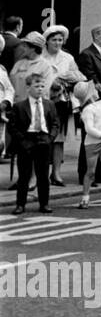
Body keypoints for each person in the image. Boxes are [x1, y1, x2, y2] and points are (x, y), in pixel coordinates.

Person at [40, 25, 85, 186]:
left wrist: (66, 78)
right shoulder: (40, 57)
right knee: (42, 140)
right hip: (42, 102)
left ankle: (56, 174)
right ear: (47, 41)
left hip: (61, 103)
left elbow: (79, 76)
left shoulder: (68, 58)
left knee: (59, 140)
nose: (58, 43)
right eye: (54, 40)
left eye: (60, 40)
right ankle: (40, 174)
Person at [10, 73, 59, 215]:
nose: (40, 89)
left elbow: (55, 123)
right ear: (28, 87)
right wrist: (23, 141)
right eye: (36, 86)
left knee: (43, 175)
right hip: (27, 139)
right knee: (24, 175)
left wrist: (50, 138)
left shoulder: (49, 104)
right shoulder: (19, 106)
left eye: (42, 86)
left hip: (43, 139)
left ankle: (44, 204)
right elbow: (13, 127)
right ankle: (20, 204)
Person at [74, 81, 101, 208]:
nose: (96, 91)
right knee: (90, 172)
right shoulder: (87, 110)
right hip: (93, 144)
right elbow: (89, 129)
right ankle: (85, 199)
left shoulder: (99, 104)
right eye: (94, 89)